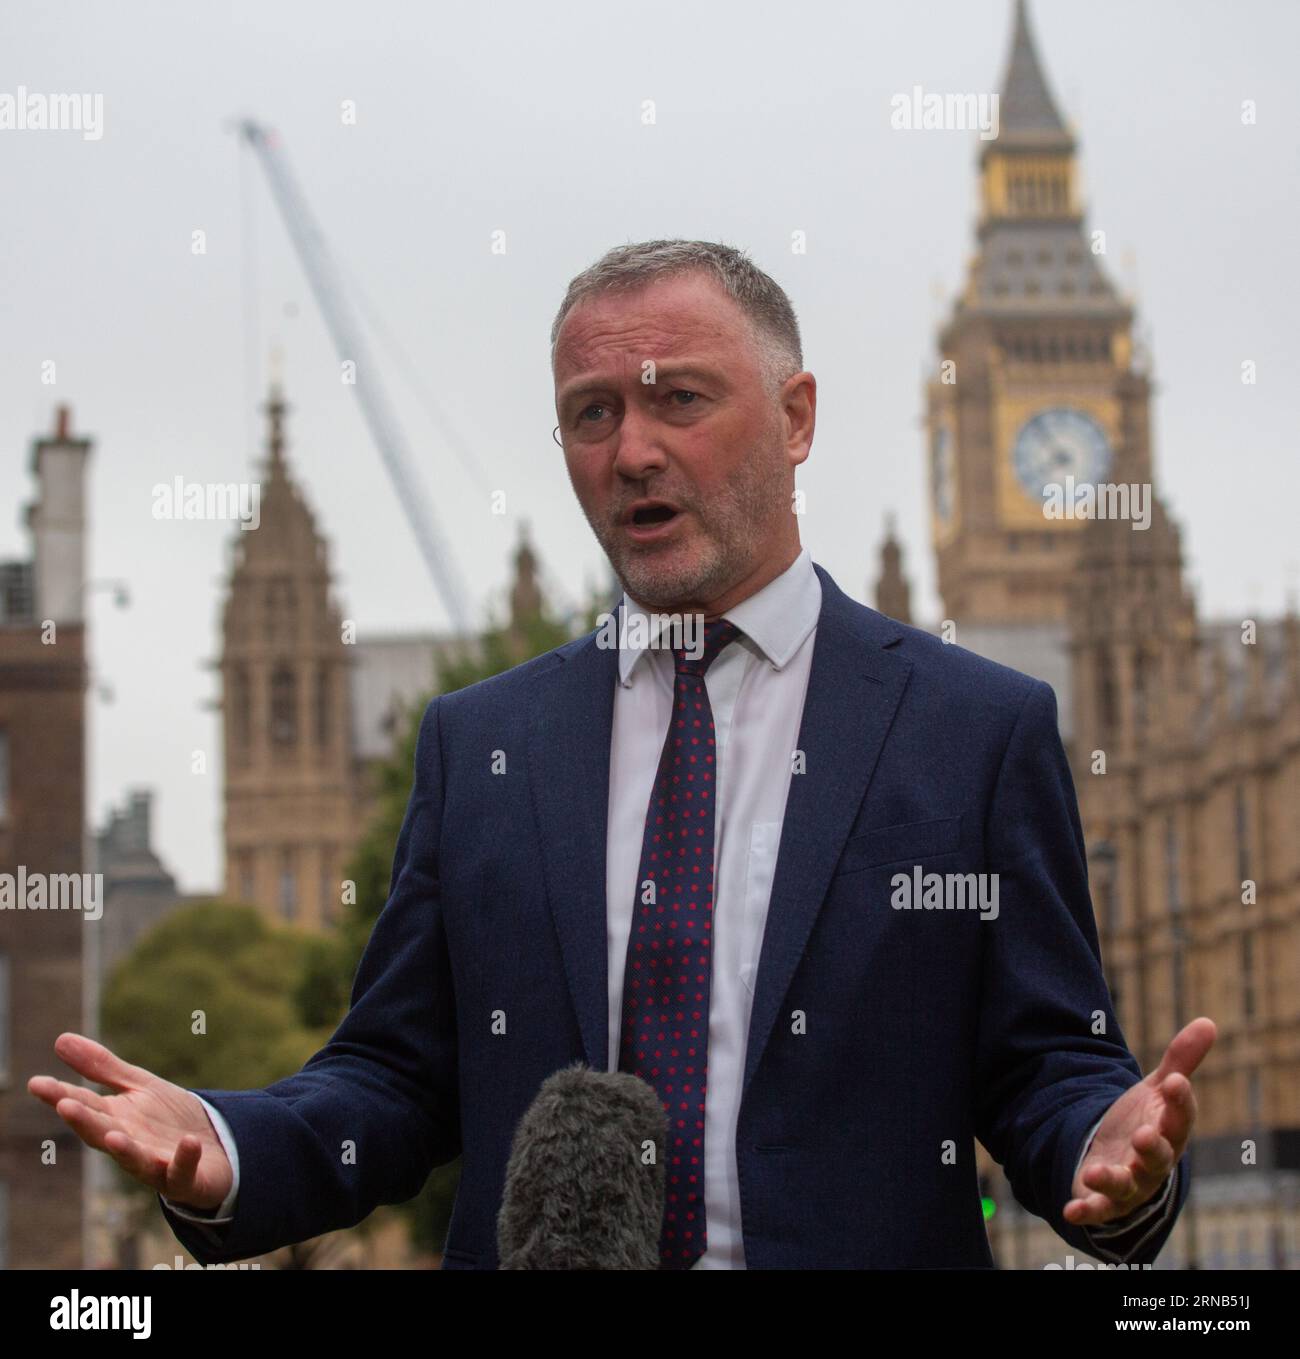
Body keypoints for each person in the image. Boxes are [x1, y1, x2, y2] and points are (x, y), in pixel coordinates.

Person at [31, 240, 1215, 1269]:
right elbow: (393, 1081)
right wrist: (227, 1144)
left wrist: (1114, 1153)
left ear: (797, 417)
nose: (632, 449)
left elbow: (1045, 1066)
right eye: (592, 413)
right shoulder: (480, 744)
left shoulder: (975, 729)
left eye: (679, 402)